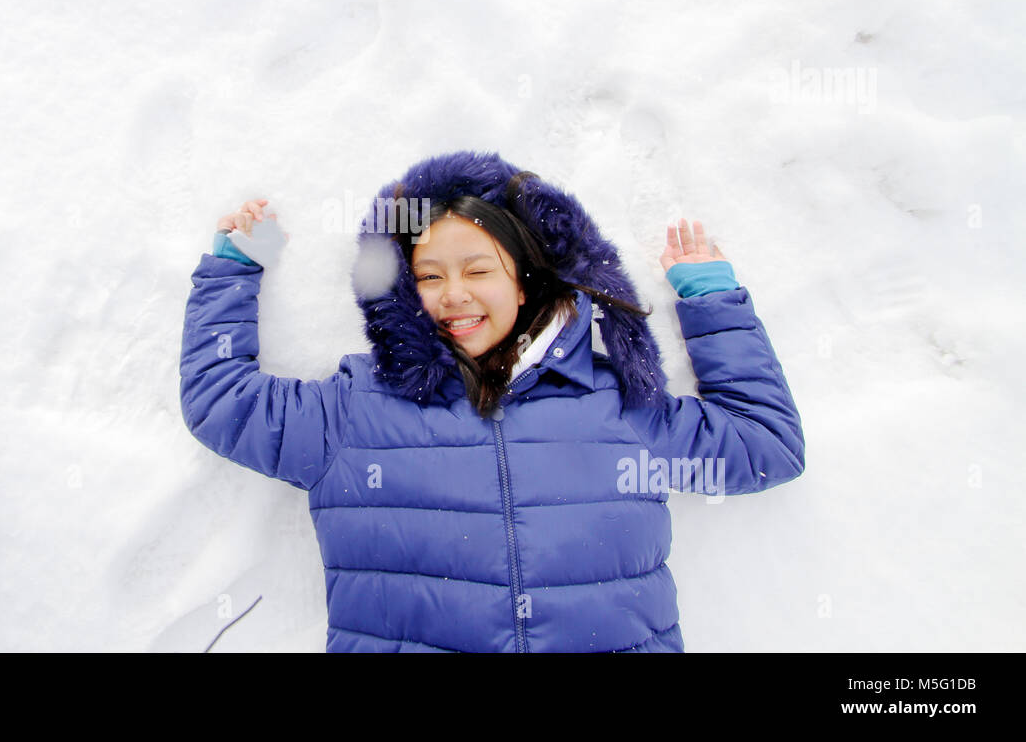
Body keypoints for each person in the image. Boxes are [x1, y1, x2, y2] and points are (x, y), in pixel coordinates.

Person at [179, 149, 805, 652]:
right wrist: (235, 268)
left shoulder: (615, 403)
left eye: (478, 270)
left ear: (526, 276)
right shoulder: (356, 410)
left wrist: (710, 301)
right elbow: (220, 399)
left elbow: (763, 447)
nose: (453, 293)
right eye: (428, 275)